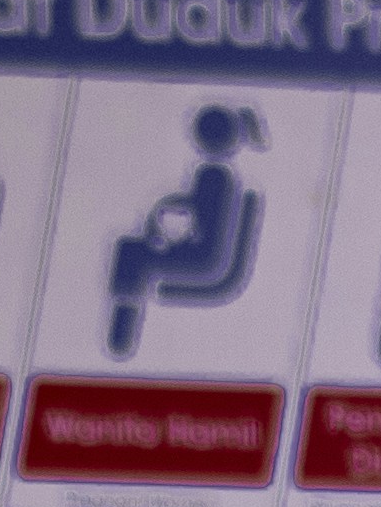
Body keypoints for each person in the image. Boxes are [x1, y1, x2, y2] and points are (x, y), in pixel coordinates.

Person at [105, 104, 265, 357]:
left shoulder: (216, 177)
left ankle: (121, 335)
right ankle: (121, 335)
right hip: (202, 254)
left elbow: (199, 223)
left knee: (131, 252)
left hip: (203, 259)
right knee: (131, 250)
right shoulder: (214, 175)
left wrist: (166, 224)